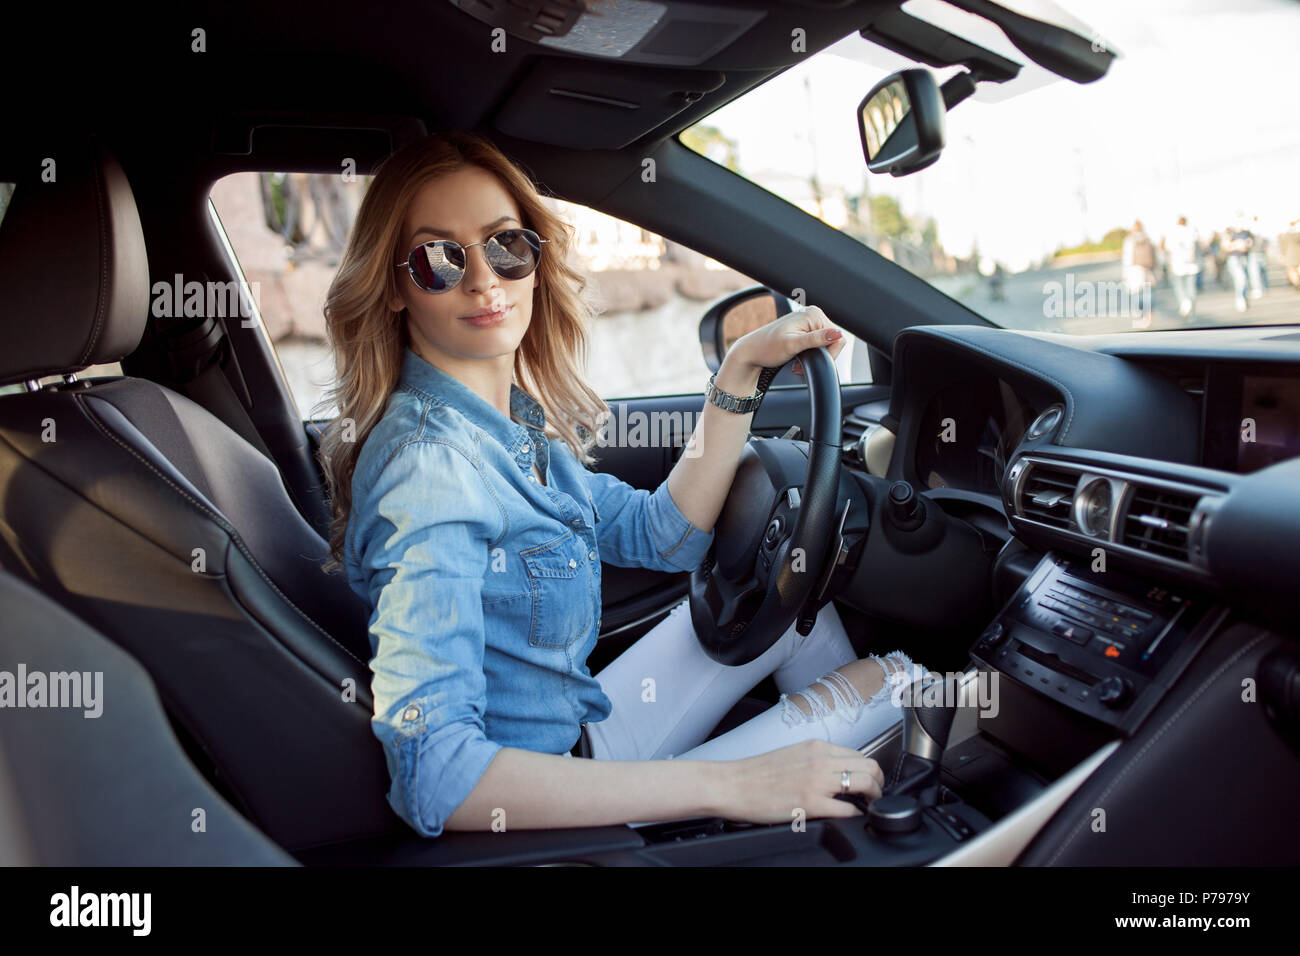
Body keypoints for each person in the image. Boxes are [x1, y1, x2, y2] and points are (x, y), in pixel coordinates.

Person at [316, 131, 926, 838]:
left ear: (536, 261)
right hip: (547, 803)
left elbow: (663, 536)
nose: (483, 279)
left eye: (505, 246)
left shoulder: (505, 429)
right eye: (438, 259)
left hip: (577, 736)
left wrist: (737, 374)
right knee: (903, 685)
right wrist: (731, 787)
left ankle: (829, 831)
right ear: (394, 286)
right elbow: (438, 775)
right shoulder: (432, 468)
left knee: (791, 610)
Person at [1165, 216, 1201, 319]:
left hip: (1178, 265)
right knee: (1191, 288)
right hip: (1192, 265)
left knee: (1179, 287)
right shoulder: (1192, 231)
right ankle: (1192, 313)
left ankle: (1184, 302)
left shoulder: (1173, 233)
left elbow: (1168, 248)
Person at [1121, 219, 1156, 322]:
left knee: (1136, 293)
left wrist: (1125, 273)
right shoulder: (1148, 239)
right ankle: (1149, 312)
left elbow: (1126, 258)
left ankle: (1140, 314)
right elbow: (1154, 255)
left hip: (1134, 269)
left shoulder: (1129, 240)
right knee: (1148, 291)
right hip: (1147, 268)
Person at [1223, 215, 1255, 312]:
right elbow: (1225, 247)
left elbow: (1251, 243)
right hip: (1234, 258)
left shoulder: (1247, 233)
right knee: (1240, 279)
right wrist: (1237, 245)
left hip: (1245, 258)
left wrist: (1246, 245)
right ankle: (1240, 298)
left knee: (1245, 279)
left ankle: (1243, 298)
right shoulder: (1229, 233)